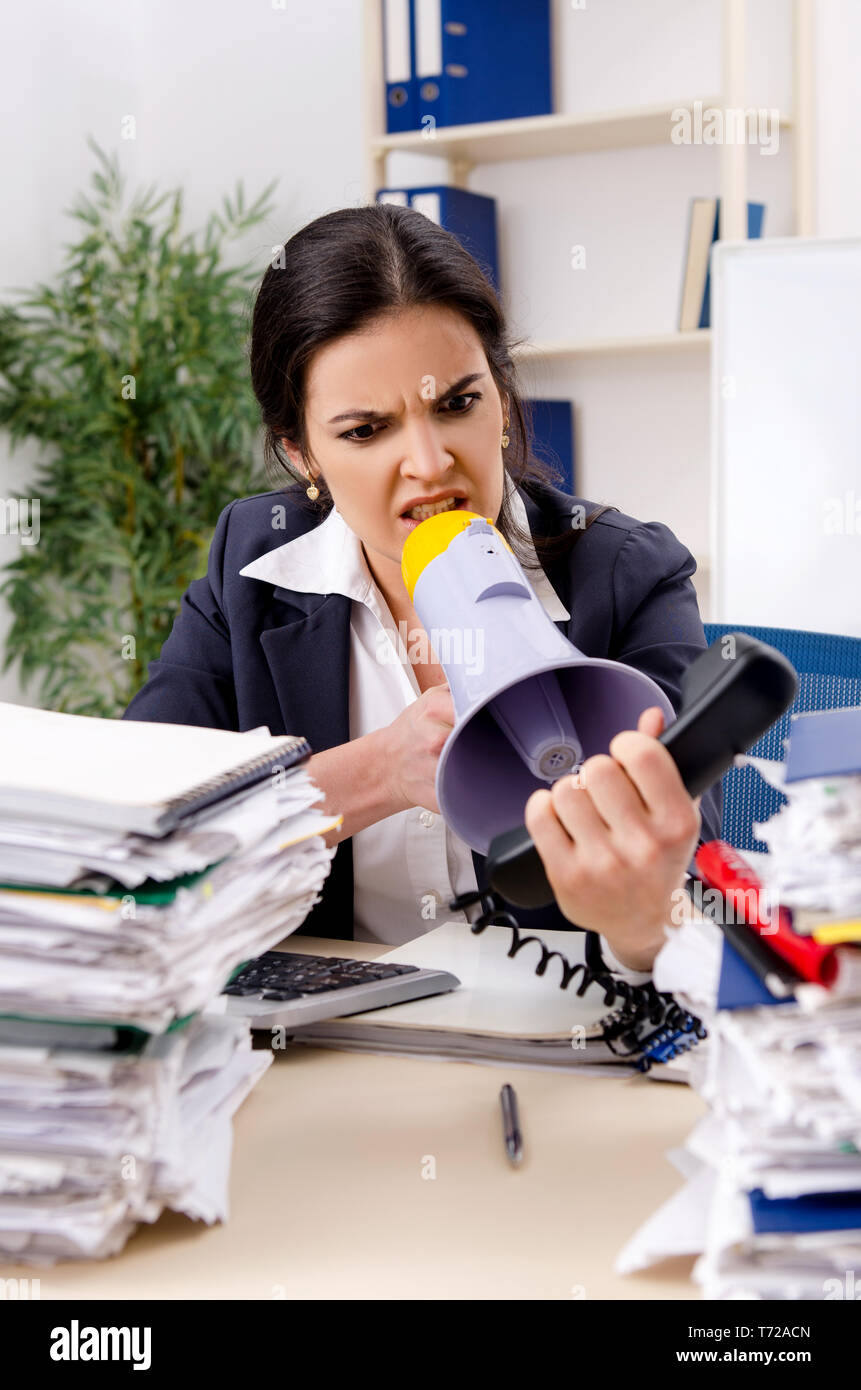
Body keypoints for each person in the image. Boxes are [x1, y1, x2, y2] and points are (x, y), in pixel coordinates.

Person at [123, 202, 722, 979]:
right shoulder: (251, 565)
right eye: (365, 431)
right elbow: (139, 826)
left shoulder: (625, 570)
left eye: (456, 404)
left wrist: (641, 923)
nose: (430, 462)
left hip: (560, 1051)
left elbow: (694, 892)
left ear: (501, 401)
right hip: (319, 1057)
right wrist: (379, 772)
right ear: (301, 453)